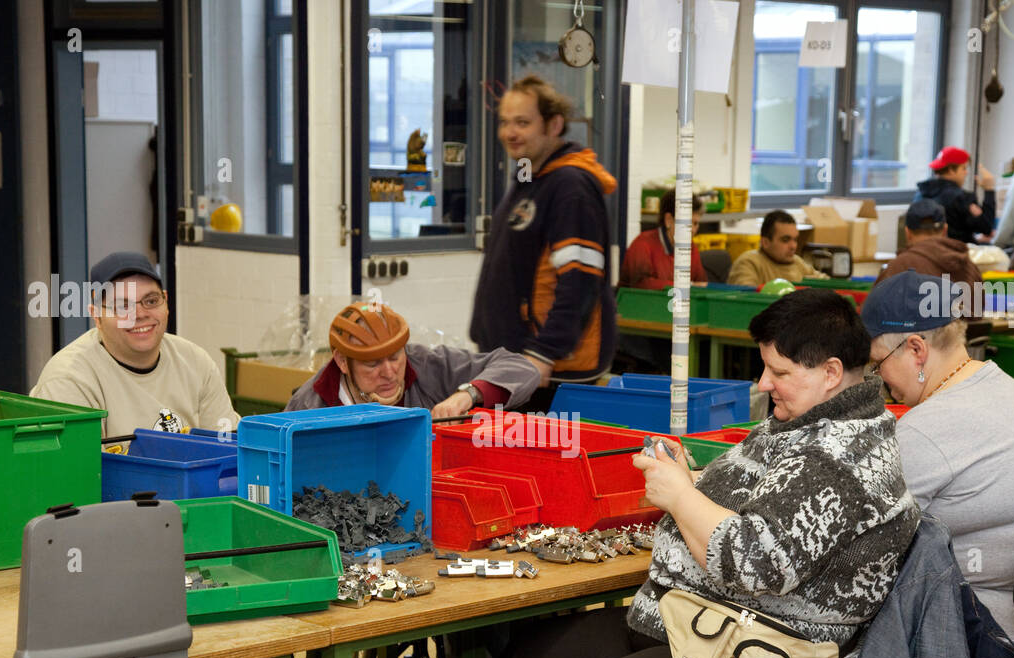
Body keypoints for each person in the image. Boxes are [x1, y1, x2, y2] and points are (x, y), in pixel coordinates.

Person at [414, 289, 920, 658]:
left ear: (832, 373)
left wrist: (680, 496)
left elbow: (754, 563)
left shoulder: (842, 459)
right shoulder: (806, 423)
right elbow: (755, 508)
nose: (761, 383)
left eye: (778, 370)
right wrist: (693, 482)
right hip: (701, 628)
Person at [862, 270, 1014, 656]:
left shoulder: (928, 429)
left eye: (878, 364)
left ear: (916, 350)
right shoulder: (1005, 387)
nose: (878, 379)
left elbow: (863, 540)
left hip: (987, 633)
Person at [469, 74, 618, 404]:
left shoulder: (570, 186)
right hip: (516, 361)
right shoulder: (530, 177)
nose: (510, 133)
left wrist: (544, 351)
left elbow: (580, 281)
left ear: (553, 125)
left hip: (550, 368)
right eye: (505, 122)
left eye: (523, 122)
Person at [32, 251, 238, 438]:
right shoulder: (68, 380)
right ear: (96, 314)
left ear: (166, 302)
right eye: (122, 306)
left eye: (151, 301)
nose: (139, 315)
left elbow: (228, 449)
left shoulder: (196, 362)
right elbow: (78, 473)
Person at [285, 302, 539, 414]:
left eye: (394, 357)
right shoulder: (308, 404)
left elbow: (521, 367)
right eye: (372, 363)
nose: (388, 372)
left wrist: (467, 395)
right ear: (342, 362)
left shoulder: (427, 365)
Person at [875, 199, 983, 300]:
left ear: (907, 233)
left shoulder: (898, 267)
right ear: (945, 229)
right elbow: (978, 309)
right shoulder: (968, 265)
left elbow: (874, 312)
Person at [619, 189, 708, 289]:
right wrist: (687, 286)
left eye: (695, 223)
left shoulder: (691, 248)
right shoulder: (642, 245)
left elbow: (701, 284)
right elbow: (641, 285)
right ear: (669, 220)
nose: (692, 229)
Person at [913, 146, 996, 246]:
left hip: (925, 252)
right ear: (951, 170)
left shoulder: (920, 194)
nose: (966, 173)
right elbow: (987, 228)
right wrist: (989, 190)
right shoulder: (961, 198)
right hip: (955, 255)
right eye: (964, 168)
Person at [726, 210, 828, 287]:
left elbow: (825, 283)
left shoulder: (797, 262)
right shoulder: (749, 262)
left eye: (795, 240)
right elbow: (746, 300)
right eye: (785, 240)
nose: (793, 246)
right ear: (765, 242)